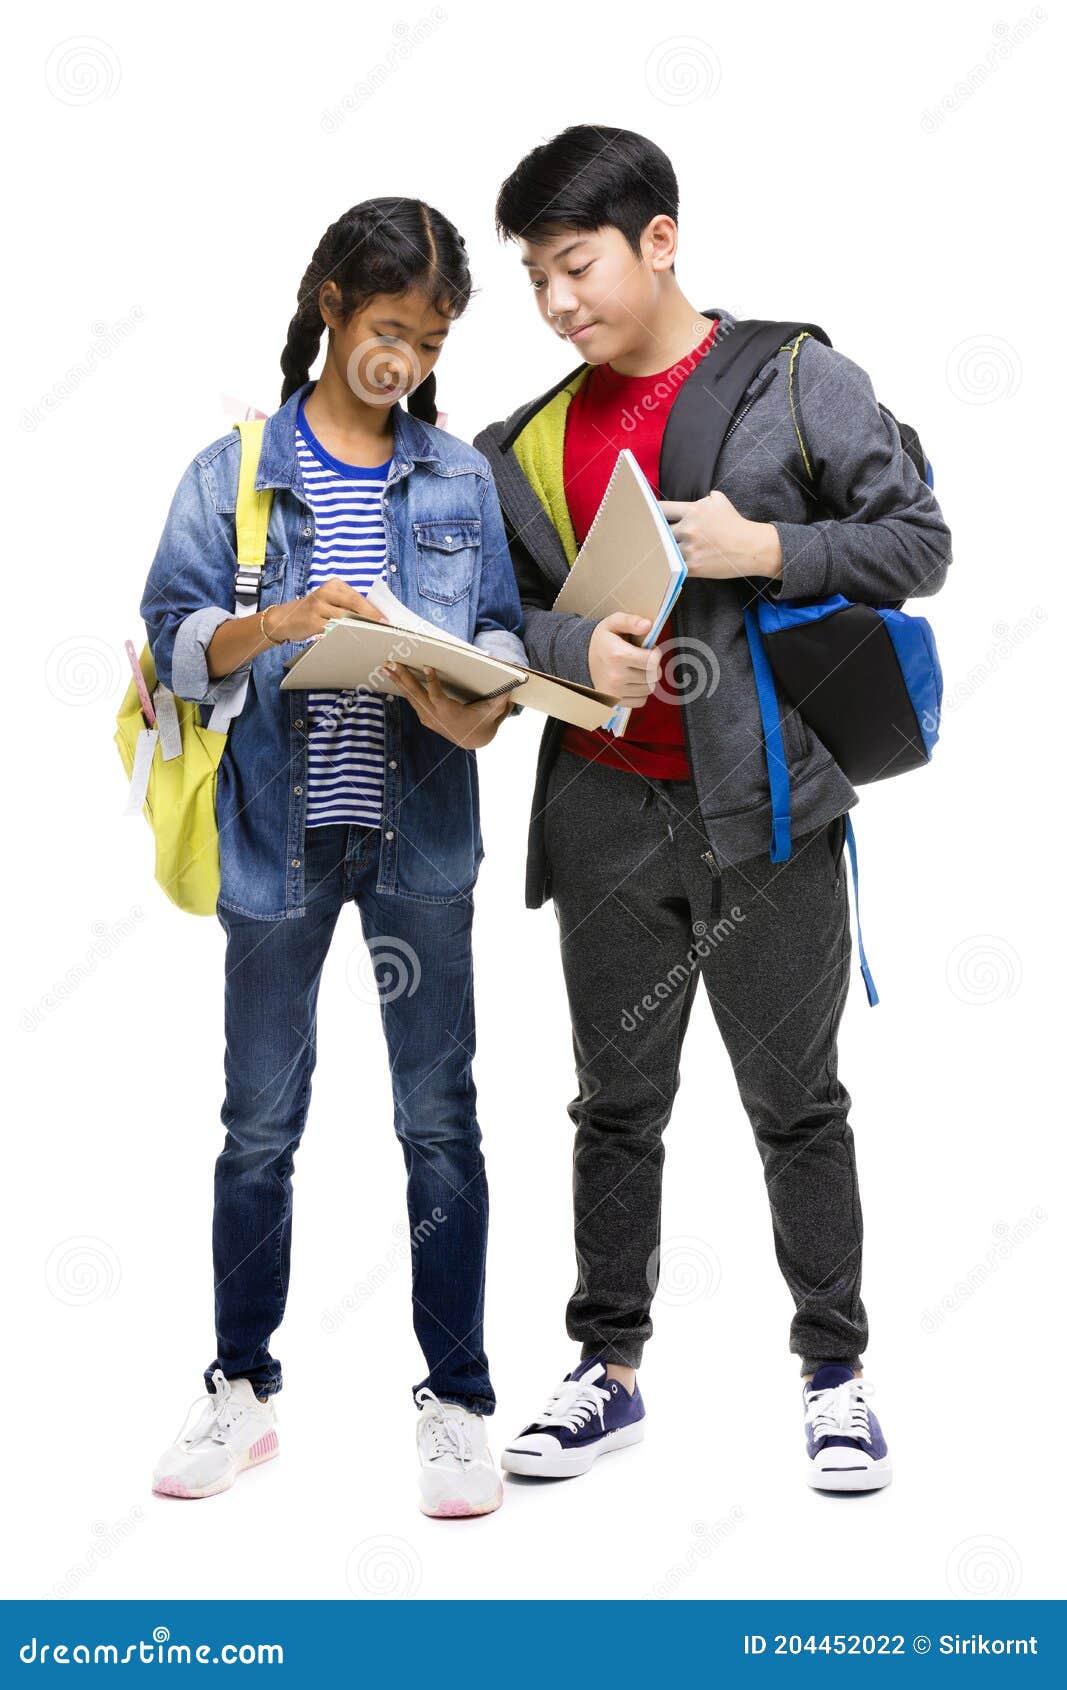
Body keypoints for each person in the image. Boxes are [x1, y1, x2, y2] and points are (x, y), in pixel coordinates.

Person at [474, 127, 952, 1492]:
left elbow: (920, 539)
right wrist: (581, 659)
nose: (559, 301)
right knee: (613, 1105)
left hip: (768, 816)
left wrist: (773, 549)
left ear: (659, 239)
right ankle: (605, 1368)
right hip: (604, 813)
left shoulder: (796, 379)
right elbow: (502, 622)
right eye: (537, 279)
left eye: (577, 265)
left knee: (797, 1103)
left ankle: (835, 1375)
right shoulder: (531, 437)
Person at [142, 196, 526, 1517]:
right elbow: (175, 641)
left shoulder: (463, 475)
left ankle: (461, 1399)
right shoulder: (232, 470)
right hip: (276, 844)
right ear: (329, 307)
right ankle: (241, 1389)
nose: (405, 360)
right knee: (259, 1126)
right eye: (386, 329)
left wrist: (468, 698)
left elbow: (503, 655)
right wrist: (285, 619)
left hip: (420, 838)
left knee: (441, 1124)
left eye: (427, 339)